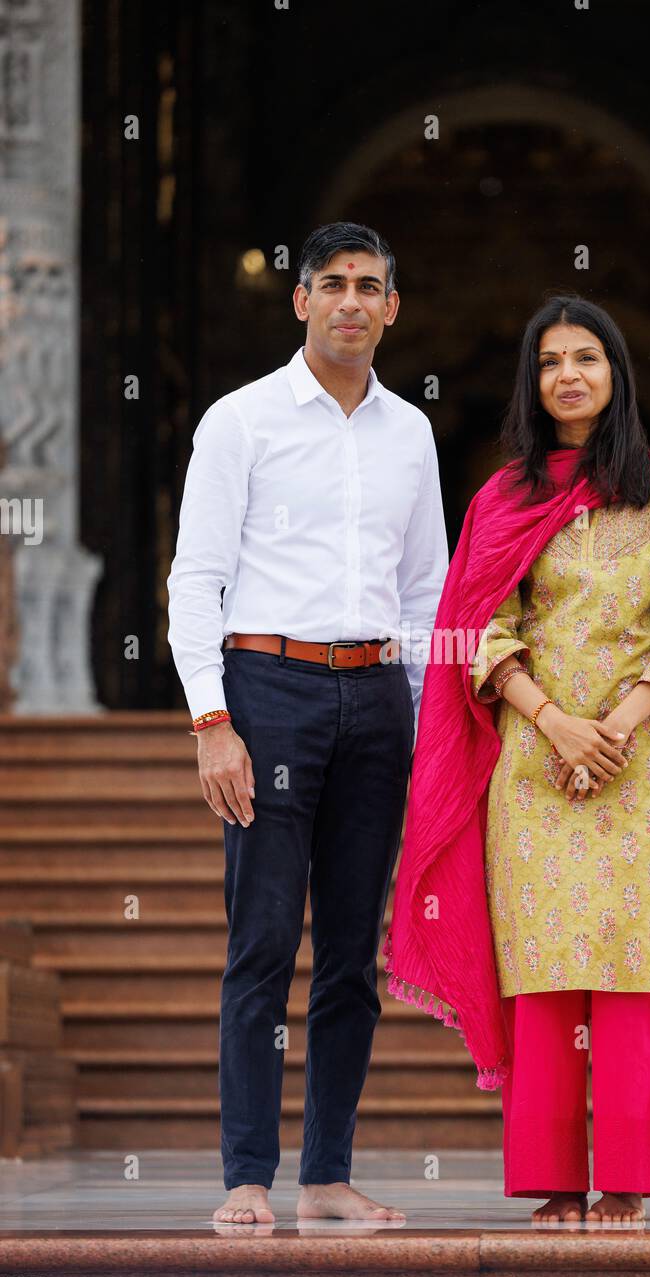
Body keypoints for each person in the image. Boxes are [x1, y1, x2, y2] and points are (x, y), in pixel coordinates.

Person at [386, 295, 650, 1225]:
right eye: (549, 362)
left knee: (631, 962)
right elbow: (478, 631)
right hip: (533, 764)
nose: (567, 374)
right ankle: (550, 1180)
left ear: (616, 374)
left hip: (644, 765)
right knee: (540, 965)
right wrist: (555, 725)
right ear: (532, 384)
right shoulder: (504, 499)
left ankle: (623, 1180)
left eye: (585, 358)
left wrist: (611, 727)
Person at [167, 222, 449, 1223]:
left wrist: (426, 729)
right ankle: (247, 1178)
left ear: (391, 307)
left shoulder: (410, 433)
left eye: (369, 286)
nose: (350, 303)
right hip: (268, 691)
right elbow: (195, 577)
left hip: (377, 700)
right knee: (261, 942)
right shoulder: (242, 422)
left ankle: (326, 1174)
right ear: (300, 300)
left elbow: (425, 591)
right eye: (331, 284)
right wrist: (212, 719)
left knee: (350, 958)